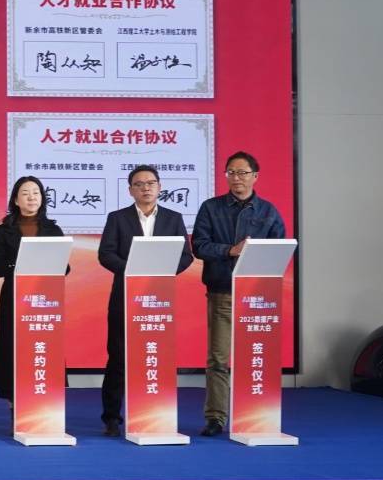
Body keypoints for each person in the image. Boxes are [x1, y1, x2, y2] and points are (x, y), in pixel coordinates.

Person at [191, 150, 287, 437]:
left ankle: (255, 414)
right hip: (222, 291)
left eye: (243, 173)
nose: (237, 178)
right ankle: (215, 418)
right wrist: (230, 250)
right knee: (218, 359)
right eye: (231, 172)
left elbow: (280, 250)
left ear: (255, 176)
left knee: (255, 357)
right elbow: (199, 246)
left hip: (257, 297)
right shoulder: (211, 208)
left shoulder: (268, 211)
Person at [96, 165, 193, 437]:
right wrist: (133, 271)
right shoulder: (117, 218)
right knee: (118, 357)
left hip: (159, 299)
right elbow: (106, 254)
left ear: (159, 187)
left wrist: (163, 271)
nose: (145, 188)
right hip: (125, 296)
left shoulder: (173, 218)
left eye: (150, 183)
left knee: (156, 355)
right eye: (139, 184)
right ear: (130, 190)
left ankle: (154, 413)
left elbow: (186, 256)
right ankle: (111, 418)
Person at [0, 176, 63, 402]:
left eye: (36, 193)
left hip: (45, 300)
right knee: (14, 348)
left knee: (43, 348)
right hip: (14, 298)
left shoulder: (53, 230)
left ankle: (45, 397)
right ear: (16, 200)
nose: (31, 197)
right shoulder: (3, 231)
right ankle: (15, 402)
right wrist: (21, 263)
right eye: (25, 193)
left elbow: (64, 267)